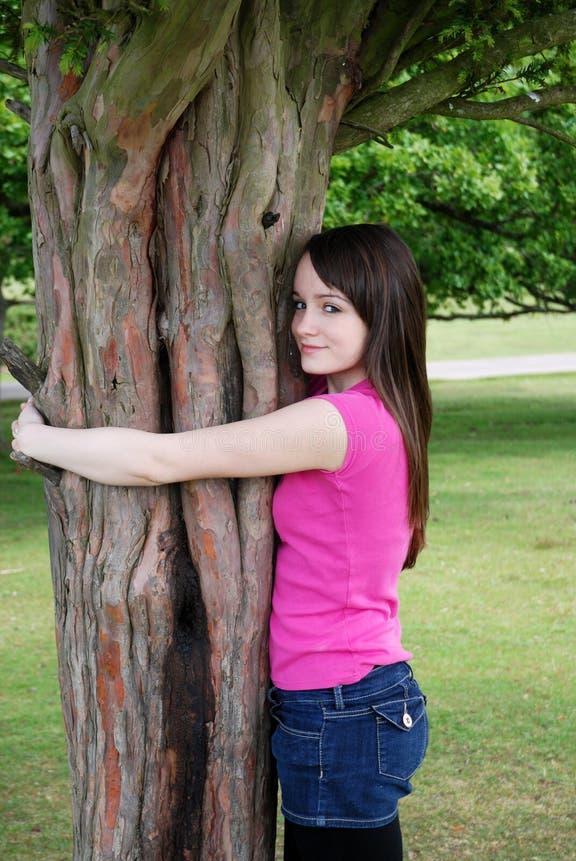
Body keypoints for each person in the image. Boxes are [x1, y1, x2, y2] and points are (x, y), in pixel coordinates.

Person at [12, 223, 432, 861]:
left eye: (332, 307)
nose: (304, 325)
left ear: (385, 311)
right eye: (299, 303)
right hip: (353, 700)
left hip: (341, 706)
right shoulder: (374, 409)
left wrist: (39, 441)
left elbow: (164, 460)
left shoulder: (340, 423)